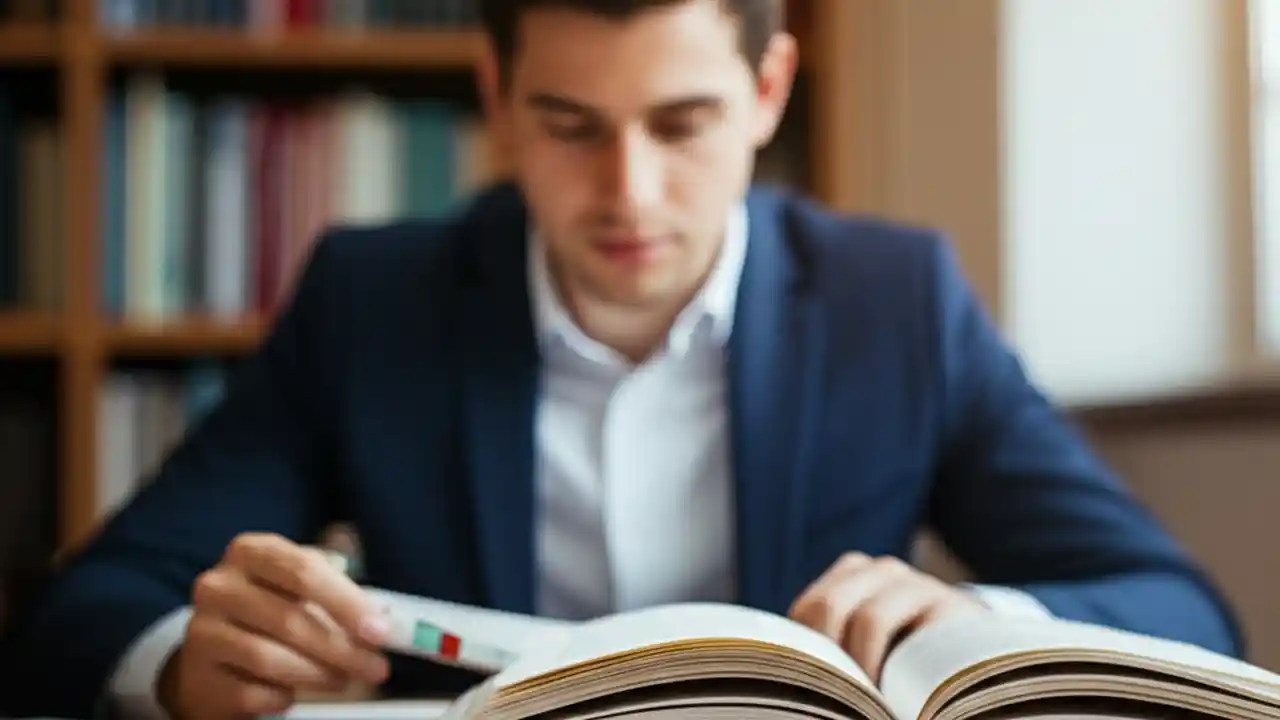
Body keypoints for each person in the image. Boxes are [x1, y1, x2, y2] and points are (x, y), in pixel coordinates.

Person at [0, 0, 1243, 718]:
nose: (627, 193)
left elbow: (1181, 608)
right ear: (495, 92)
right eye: (568, 124)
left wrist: (974, 614)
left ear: (766, 90)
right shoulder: (371, 298)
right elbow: (83, 610)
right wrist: (183, 665)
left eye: (681, 123)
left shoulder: (893, 300)